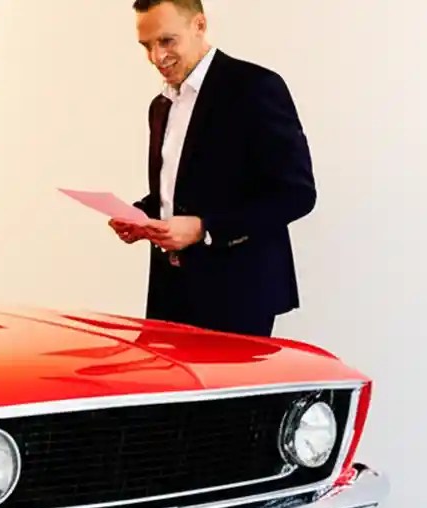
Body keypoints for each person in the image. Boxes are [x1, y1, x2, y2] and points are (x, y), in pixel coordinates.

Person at [110, 0, 316, 337]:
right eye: (146, 46)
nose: (156, 57)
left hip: (238, 294)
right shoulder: (161, 105)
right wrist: (141, 215)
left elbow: (296, 194)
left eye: (167, 41)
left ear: (200, 26)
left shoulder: (255, 87)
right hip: (169, 291)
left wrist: (206, 227)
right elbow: (184, 187)